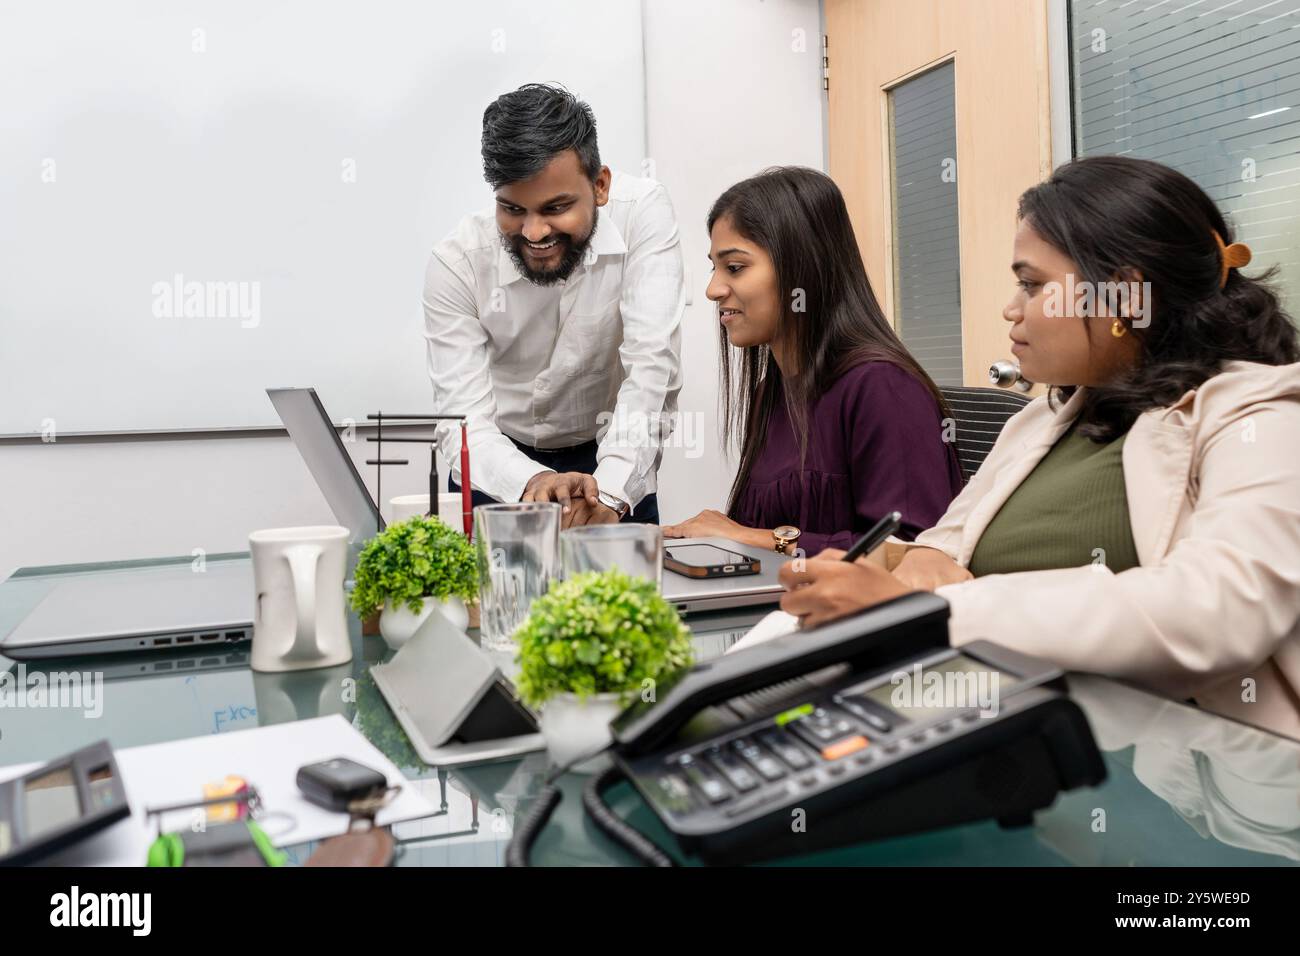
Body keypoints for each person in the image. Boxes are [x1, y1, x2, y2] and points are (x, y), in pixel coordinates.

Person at [778, 156, 1300, 739]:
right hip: (995, 720)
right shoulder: (1045, 418)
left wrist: (926, 615)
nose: (1012, 307)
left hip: (1175, 775)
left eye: (1032, 285)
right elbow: (947, 544)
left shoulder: (1260, 415)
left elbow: (1215, 611)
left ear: (1125, 296)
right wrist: (914, 562)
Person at [662, 167, 962, 556]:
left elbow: (914, 553)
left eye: (735, 267)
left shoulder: (883, 388)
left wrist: (758, 538)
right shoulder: (770, 393)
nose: (712, 289)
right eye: (714, 268)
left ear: (803, 266)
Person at [423, 83, 684, 527]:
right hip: (498, 467)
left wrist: (613, 491)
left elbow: (651, 367)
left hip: (611, 454)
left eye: (556, 207)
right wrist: (534, 480)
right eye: (512, 209)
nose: (534, 231)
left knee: (628, 595)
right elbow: (463, 422)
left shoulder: (642, 214)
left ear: (600, 186)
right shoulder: (458, 262)